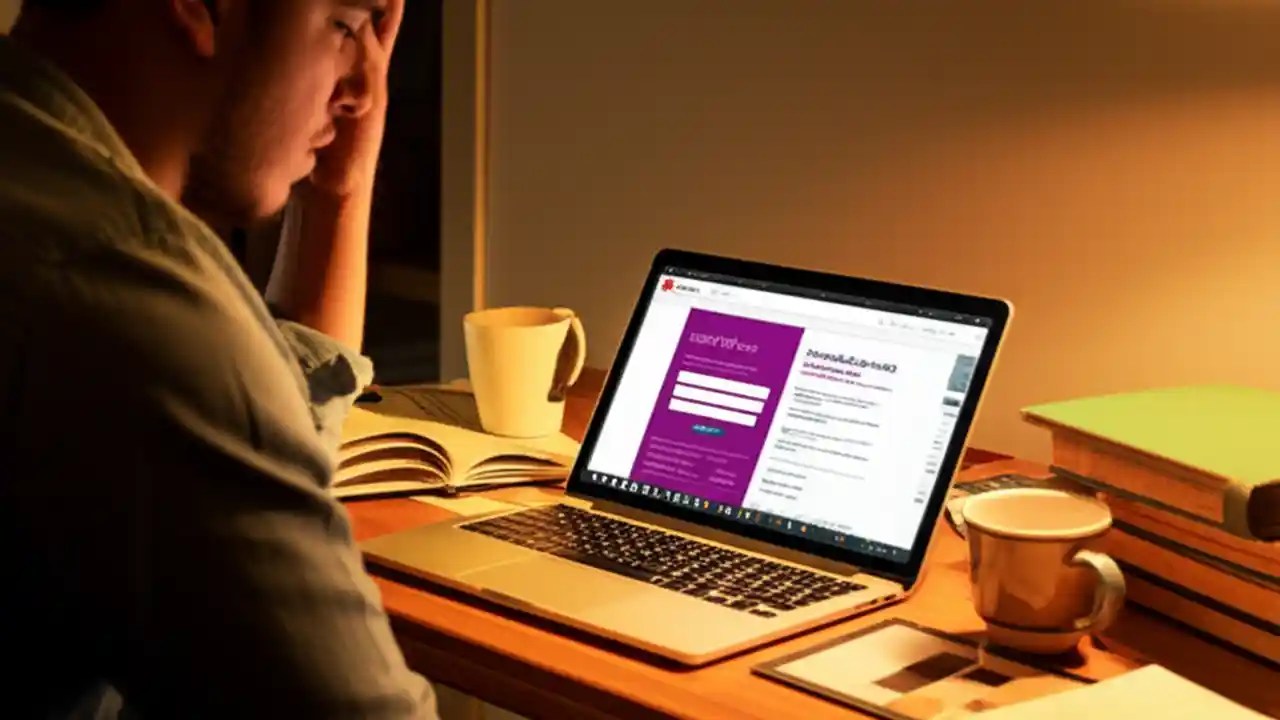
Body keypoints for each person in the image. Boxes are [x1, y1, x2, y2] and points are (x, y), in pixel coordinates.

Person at [0, 0, 438, 717]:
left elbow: (253, 420)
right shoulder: (120, 290)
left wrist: (341, 188)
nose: (364, 89)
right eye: (345, 24)